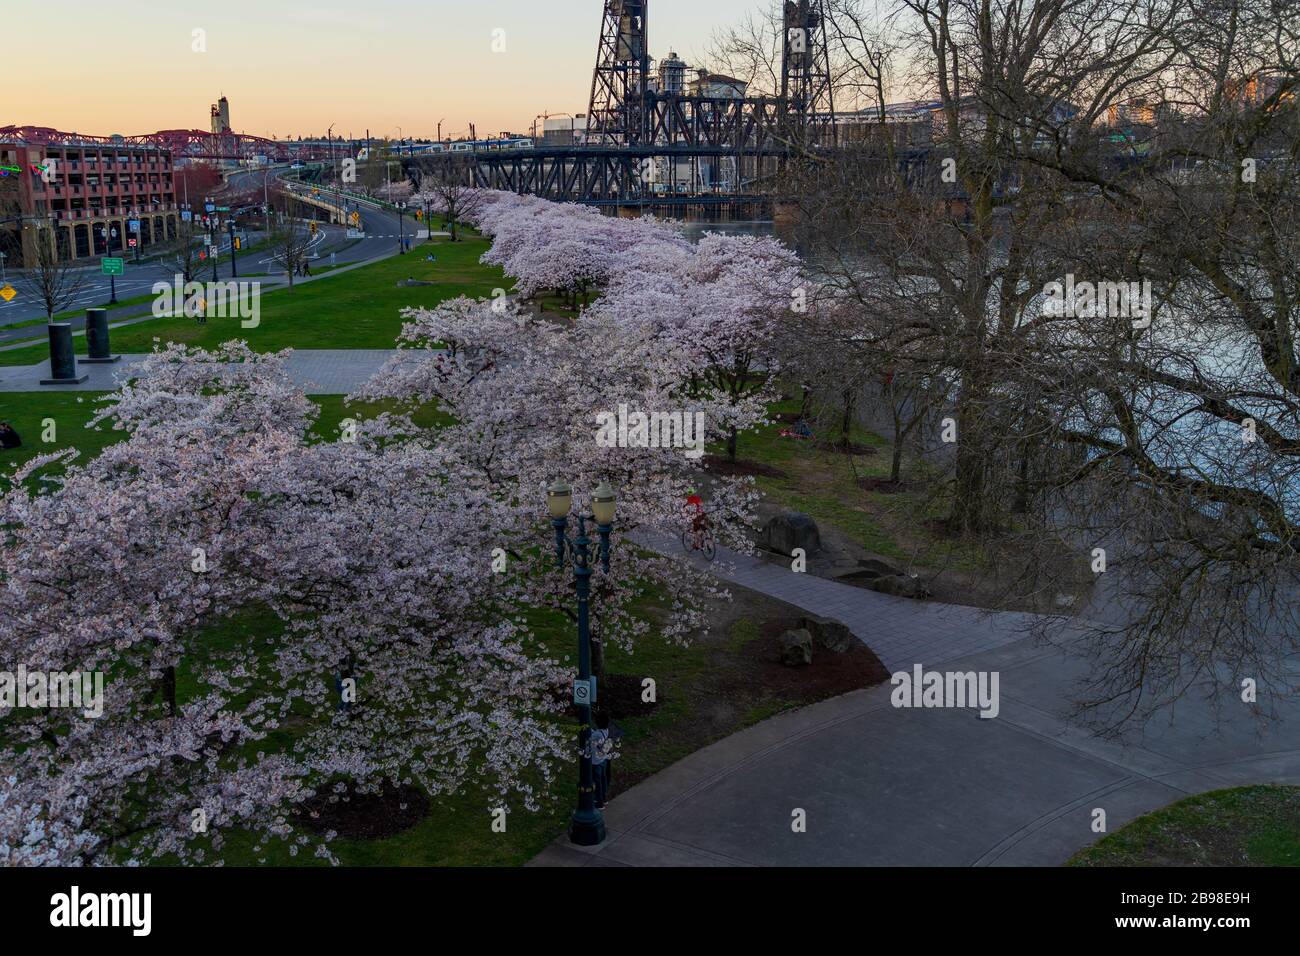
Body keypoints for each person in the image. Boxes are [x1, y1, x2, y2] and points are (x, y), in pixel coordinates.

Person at [590, 709, 613, 809]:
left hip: (595, 762)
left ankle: (599, 803)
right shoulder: (605, 731)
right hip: (603, 760)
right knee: (603, 780)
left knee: (597, 782)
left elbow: (591, 742)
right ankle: (604, 799)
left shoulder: (596, 735)